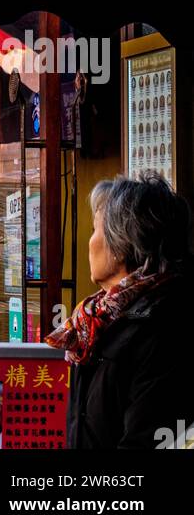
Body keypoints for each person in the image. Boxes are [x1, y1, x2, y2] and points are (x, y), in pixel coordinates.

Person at [47, 171, 194, 448]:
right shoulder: (100, 317)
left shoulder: (165, 325)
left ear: (120, 245)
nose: (90, 242)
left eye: (95, 230)